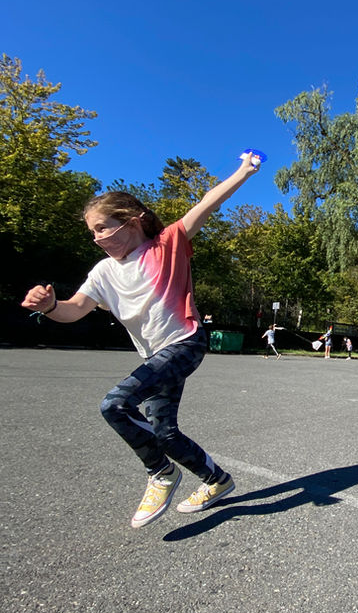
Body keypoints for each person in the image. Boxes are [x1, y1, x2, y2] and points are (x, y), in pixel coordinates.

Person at [21, 152, 262, 529]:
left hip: (185, 341)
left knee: (114, 405)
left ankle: (161, 473)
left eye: (103, 228)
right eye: (92, 233)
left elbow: (207, 203)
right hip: (155, 355)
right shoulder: (103, 272)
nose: (98, 238)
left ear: (132, 221)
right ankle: (218, 480)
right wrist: (51, 305)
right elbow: (74, 310)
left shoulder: (167, 243)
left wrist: (243, 170)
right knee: (164, 431)